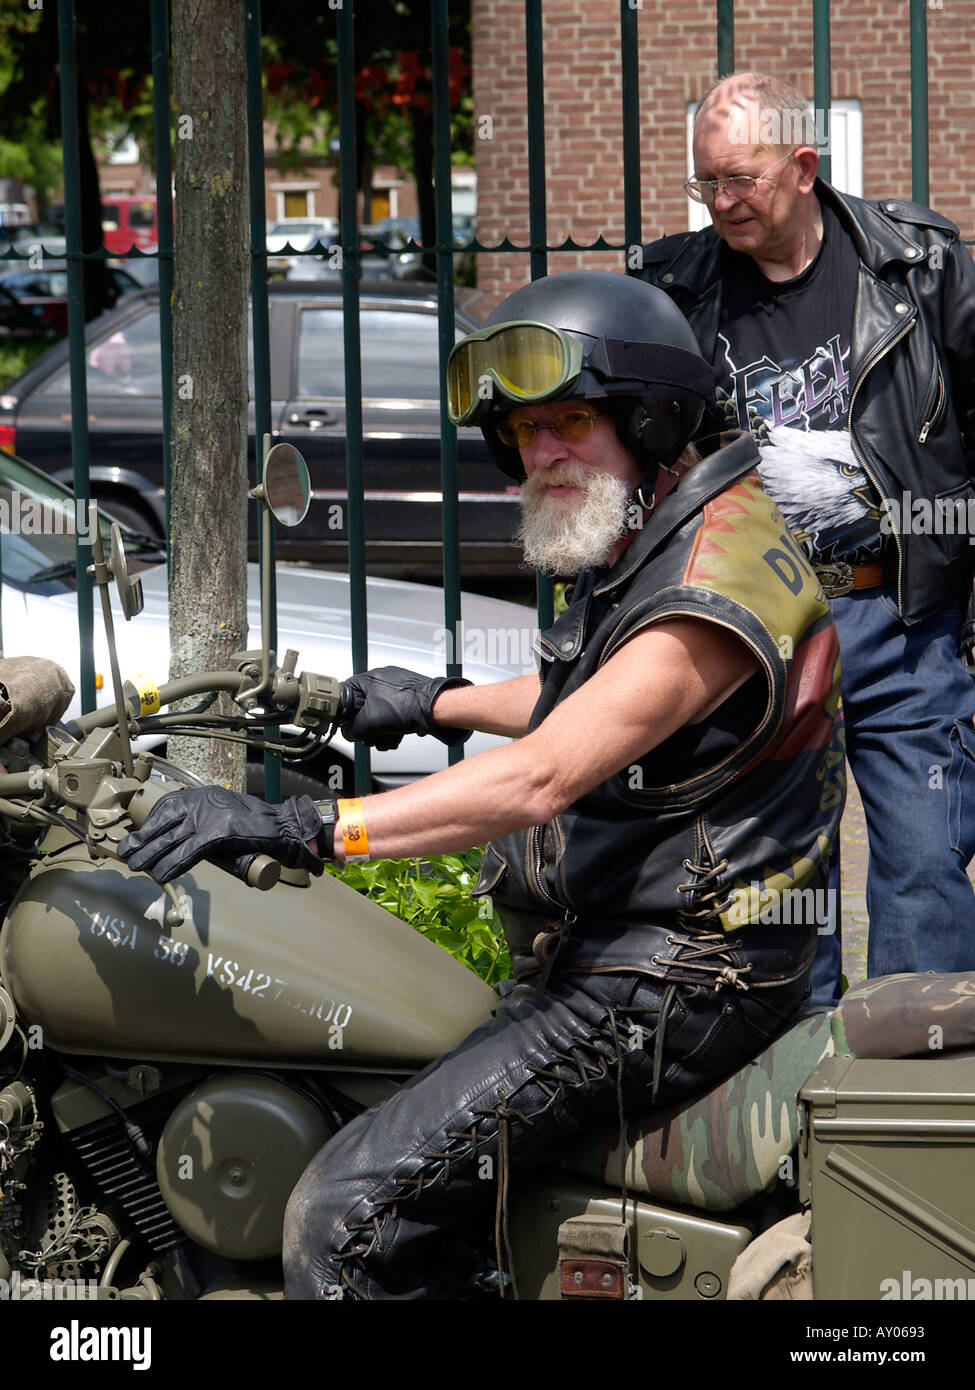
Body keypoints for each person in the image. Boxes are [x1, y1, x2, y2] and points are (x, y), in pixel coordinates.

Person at [119, 269, 844, 1300]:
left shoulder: (704, 593)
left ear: (647, 419)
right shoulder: (685, 528)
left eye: (573, 424)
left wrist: (299, 824)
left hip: (666, 983)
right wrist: (433, 702)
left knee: (342, 1222)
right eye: (524, 433)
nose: (541, 455)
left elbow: (545, 775)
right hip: (634, 955)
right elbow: (588, 699)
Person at [631, 71, 975, 1002]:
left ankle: (912, 1101)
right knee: (782, 881)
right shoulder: (672, 289)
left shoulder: (919, 264)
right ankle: (791, 1100)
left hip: (901, 617)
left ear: (803, 166)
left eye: (739, 179)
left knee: (926, 863)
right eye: (707, 184)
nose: (722, 203)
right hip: (756, 631)